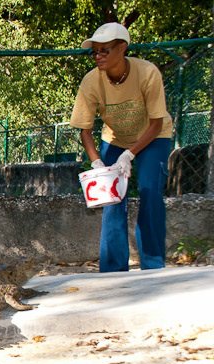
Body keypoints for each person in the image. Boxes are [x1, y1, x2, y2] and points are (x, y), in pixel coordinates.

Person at [70, 22, 173, 272]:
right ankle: (113, 270)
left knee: (149, 190)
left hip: (154, 136)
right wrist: (97, 163)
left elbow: (157, 122)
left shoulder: (147, 73)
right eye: (95, 51)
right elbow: (85, 130)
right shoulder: (91, 81)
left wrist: (130, 154)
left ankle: (152, 265)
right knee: (112, 198)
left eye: (105, 50)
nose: (98, 56)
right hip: (114, 139)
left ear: (122, 48)